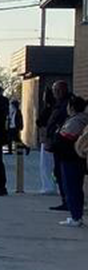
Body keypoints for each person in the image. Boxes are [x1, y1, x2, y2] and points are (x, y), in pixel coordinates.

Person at [53, 96, 88, 227]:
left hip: (70, 159)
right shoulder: (81, 120)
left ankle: (76, 216)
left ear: (72, 108)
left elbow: (64, 140)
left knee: (72, 187)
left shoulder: (75, 122)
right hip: (74, 159)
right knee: (76, 187)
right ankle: (76, 215)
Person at [46, 81, 72, 211]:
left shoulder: (67, 104)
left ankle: (67, 200)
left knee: (62, 173)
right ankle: (65, 199)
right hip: (57, 143)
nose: (55, 93)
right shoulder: (58, 104)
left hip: (64, 144)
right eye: (54, 90)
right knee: (58, 172)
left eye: (57, 90)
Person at [36, 86, 58, 195]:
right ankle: (51, 186)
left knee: (46, 164)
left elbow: (40, 121)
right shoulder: (55, 108)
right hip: (50, 138)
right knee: (51, 164)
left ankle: (48, 186)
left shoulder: (49, 109)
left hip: (47, 139)